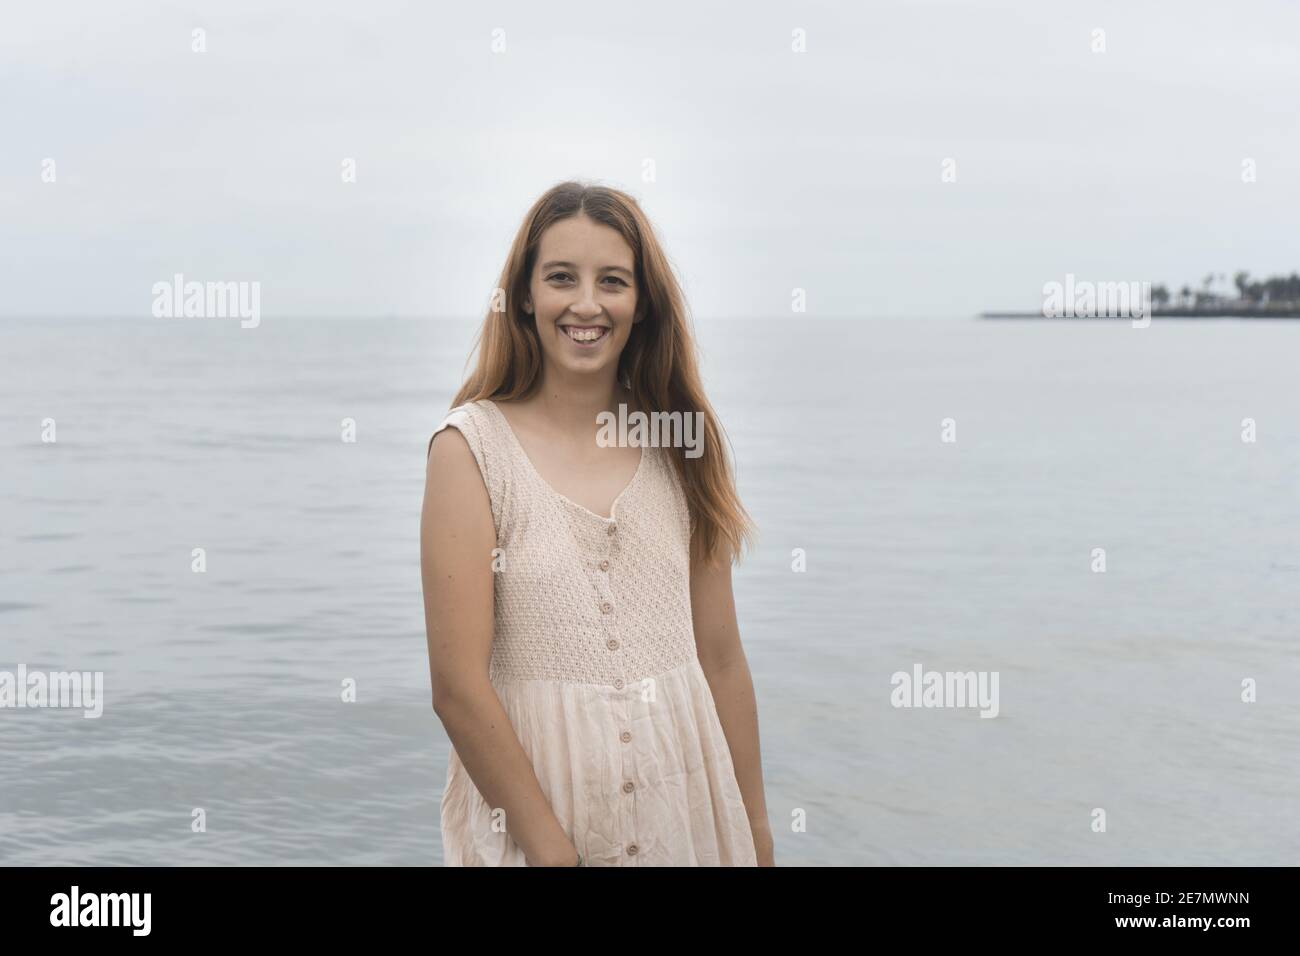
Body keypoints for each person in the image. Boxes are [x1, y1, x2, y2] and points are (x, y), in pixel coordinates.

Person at [420, 180, 773, 866]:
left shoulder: (682, 444)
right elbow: (458, 689)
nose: (586, 304)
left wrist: (756, 836)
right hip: (536, 824)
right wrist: (554, 855)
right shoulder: (470, 451)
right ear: (525, 295)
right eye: (561, 278)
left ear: (642, 304)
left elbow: (722, 657)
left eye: (612, 281)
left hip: (690, 815)